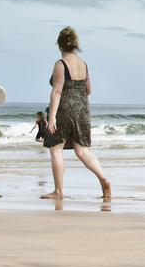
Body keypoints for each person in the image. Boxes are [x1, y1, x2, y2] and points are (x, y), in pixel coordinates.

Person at [42, 26, 112, 201]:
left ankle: (58, 191)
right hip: (82, 109)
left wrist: (51, 116)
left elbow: (57, 91)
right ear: (75, 45)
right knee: (82, 151)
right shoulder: (83, 64)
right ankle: (103, 178)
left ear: (60, 45)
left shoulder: (60, 64)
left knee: (56, 150)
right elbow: (88, 90)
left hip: (64, 109)